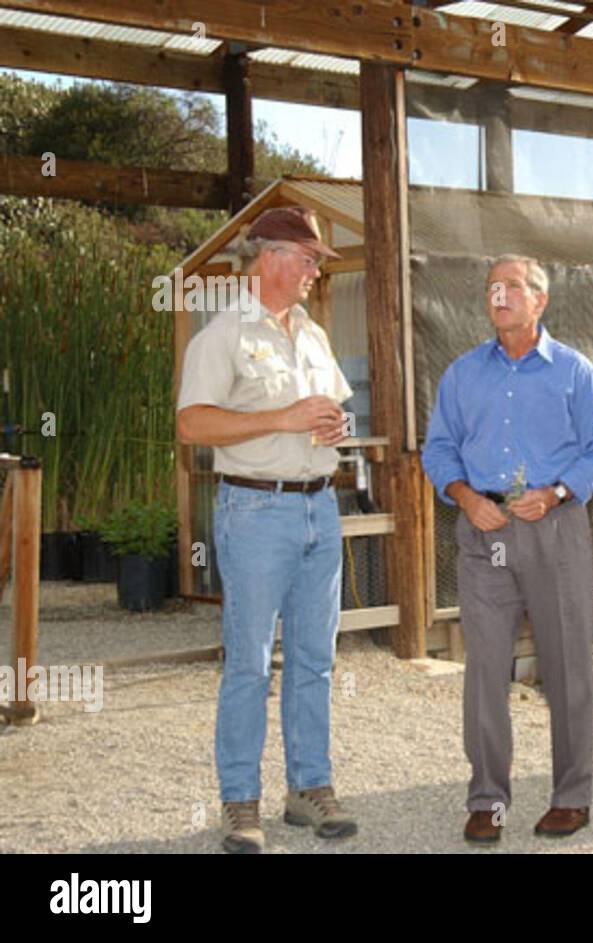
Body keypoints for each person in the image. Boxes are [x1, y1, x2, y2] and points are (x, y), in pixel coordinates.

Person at [176, 206, 357, 854]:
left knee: (315, 656)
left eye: (316, 263)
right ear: (272, 257)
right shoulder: (222, 334)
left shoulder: (311, 332)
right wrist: (282, 418)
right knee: (249, 662)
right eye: (308, 259)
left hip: (319, 507)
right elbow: (193, 425)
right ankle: (240, 803)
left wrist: (334, 427)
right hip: (255, 512)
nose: (314, 271)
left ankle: (309, 787)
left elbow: (331, 409)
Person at [422, 254, 593, 844]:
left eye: (511, 287)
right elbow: (438, 450)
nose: (498, 296)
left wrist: (557, 493)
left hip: (553, 529)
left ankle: (572, 796)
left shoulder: (575, 373)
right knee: (485, 668)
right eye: (491, 288)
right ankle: (487, 799)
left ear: (540, 299)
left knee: (564, 667)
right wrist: (462, 495)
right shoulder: (461, 374)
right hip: (482, 529)